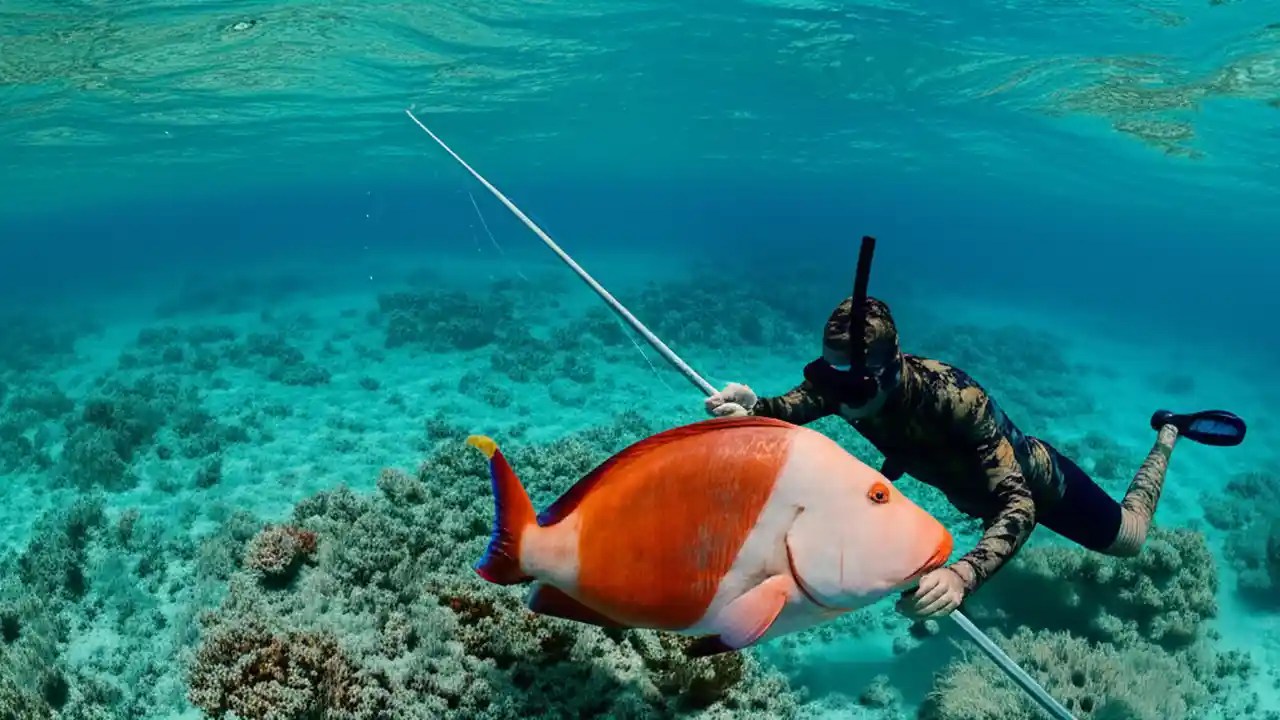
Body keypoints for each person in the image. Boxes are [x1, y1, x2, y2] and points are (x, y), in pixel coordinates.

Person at [704, 237, 1247, 620]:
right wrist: (754, 404)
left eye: (855, 389)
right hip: (968, 489)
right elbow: (789, 407)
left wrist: (963, 575)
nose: (839, 400)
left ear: (891, 370)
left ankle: (1170, 430)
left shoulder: (957, 401)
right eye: (828, 378)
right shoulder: (842, 380)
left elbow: (1019, 507)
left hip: (1036, 484)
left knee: (1130, 539)